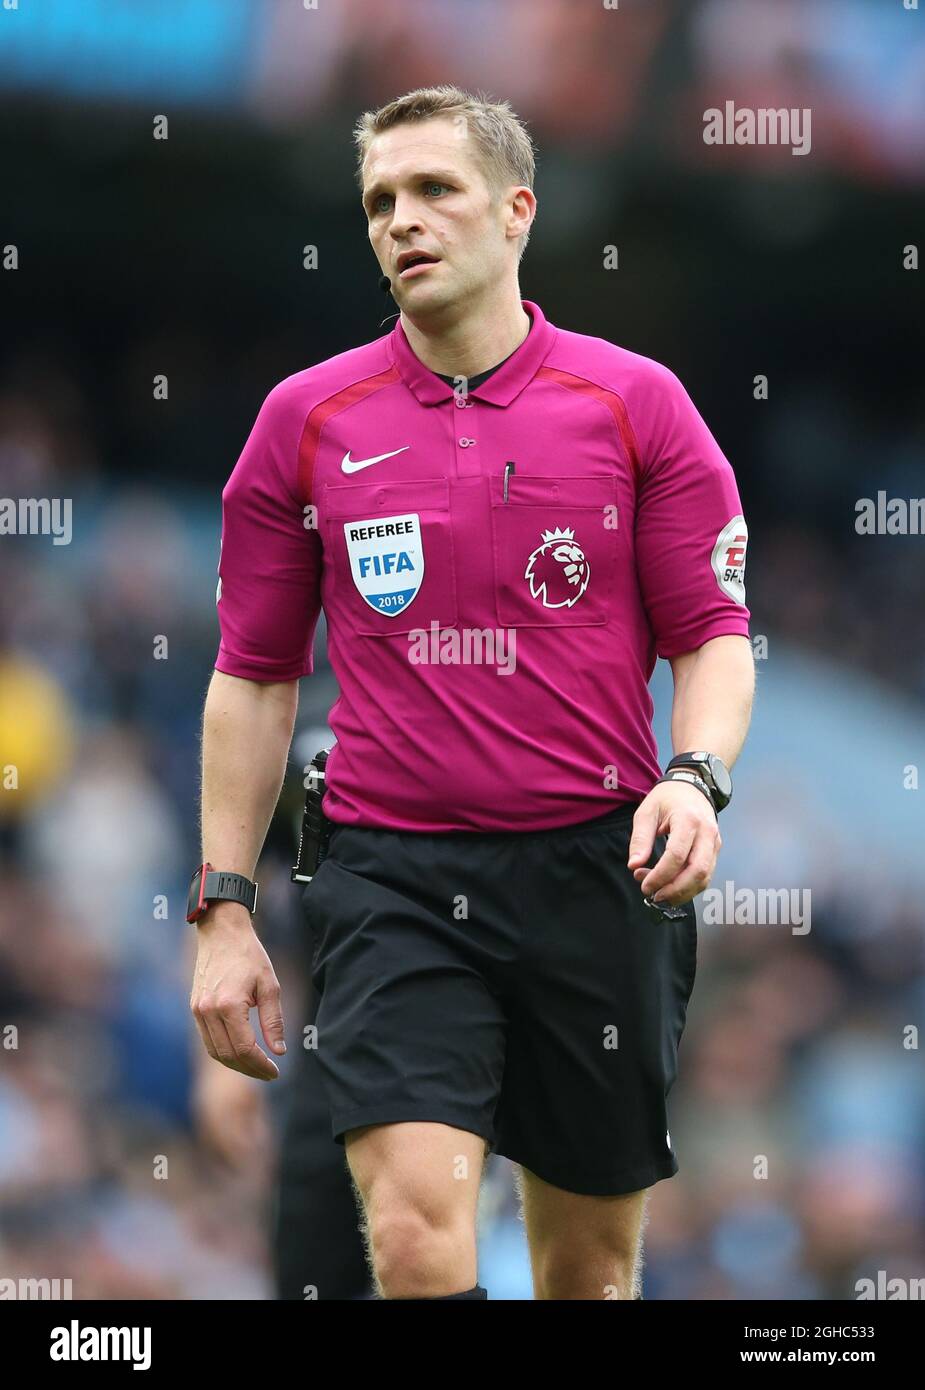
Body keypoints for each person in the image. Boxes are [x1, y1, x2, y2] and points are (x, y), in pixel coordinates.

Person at [189, 83, 755, 1301]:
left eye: (434, 189)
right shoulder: (306, 422)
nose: (404, 219)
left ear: (516, 212)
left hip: (599, 874)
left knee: (588, 1271)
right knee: (413, 1234)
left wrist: (696, 779)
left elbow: (714, 634)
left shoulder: (635, 404)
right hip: (389, 874)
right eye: (381, 200)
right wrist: (225, 906)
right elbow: (250, 678)